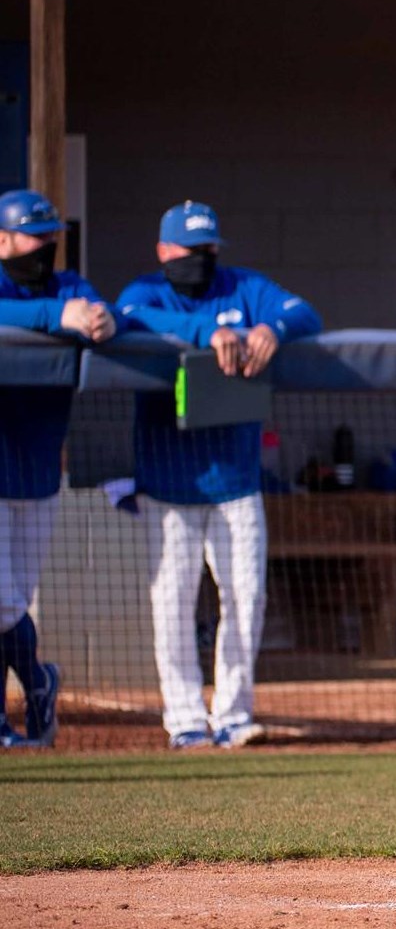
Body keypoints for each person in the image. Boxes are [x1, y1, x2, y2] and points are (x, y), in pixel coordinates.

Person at [117, 201, 322, 749]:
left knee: (245, 598)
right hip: (169, 480)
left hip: (237, 477)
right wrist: (205, 329)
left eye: (209, 249)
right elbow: (129, 318)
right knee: (174, 602)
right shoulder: (145, 292)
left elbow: (305, 313)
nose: (201, 259)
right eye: (189, 250)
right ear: (164, 252)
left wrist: (271, 328)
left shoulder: (244, 286)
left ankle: (233, 712)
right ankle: (184, 717)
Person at [0, 190, 111, 747]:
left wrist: (99, 319)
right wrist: (53, 317)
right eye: (32, 235)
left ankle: (14, 711)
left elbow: (98, 313)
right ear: (3, 239)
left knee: (12, 599)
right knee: (1, 600)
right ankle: (39, 678)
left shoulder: (71, 286)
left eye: (50, 236)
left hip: (41, 469)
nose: (44, 246)